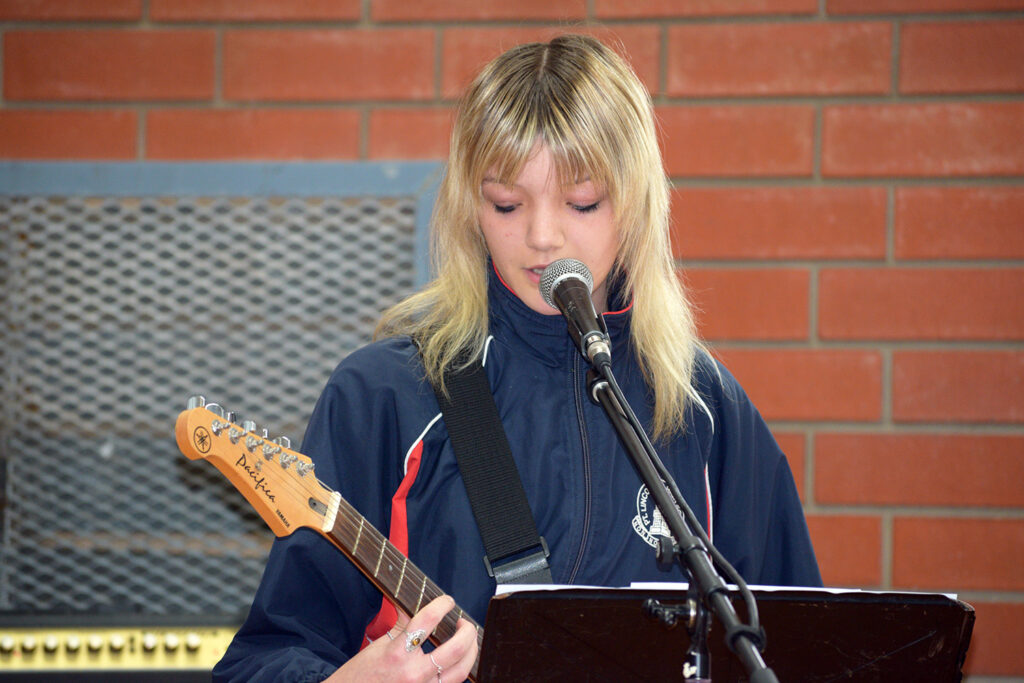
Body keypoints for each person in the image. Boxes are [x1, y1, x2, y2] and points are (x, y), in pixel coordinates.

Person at [213, 34, 821, 683]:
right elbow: (261, 658)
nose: (541, 235)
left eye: (582, 201)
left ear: (638, 201)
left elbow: (802, 650)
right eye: (506, 203)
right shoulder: (385, 394)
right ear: (469, 206)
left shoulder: (703, 406)